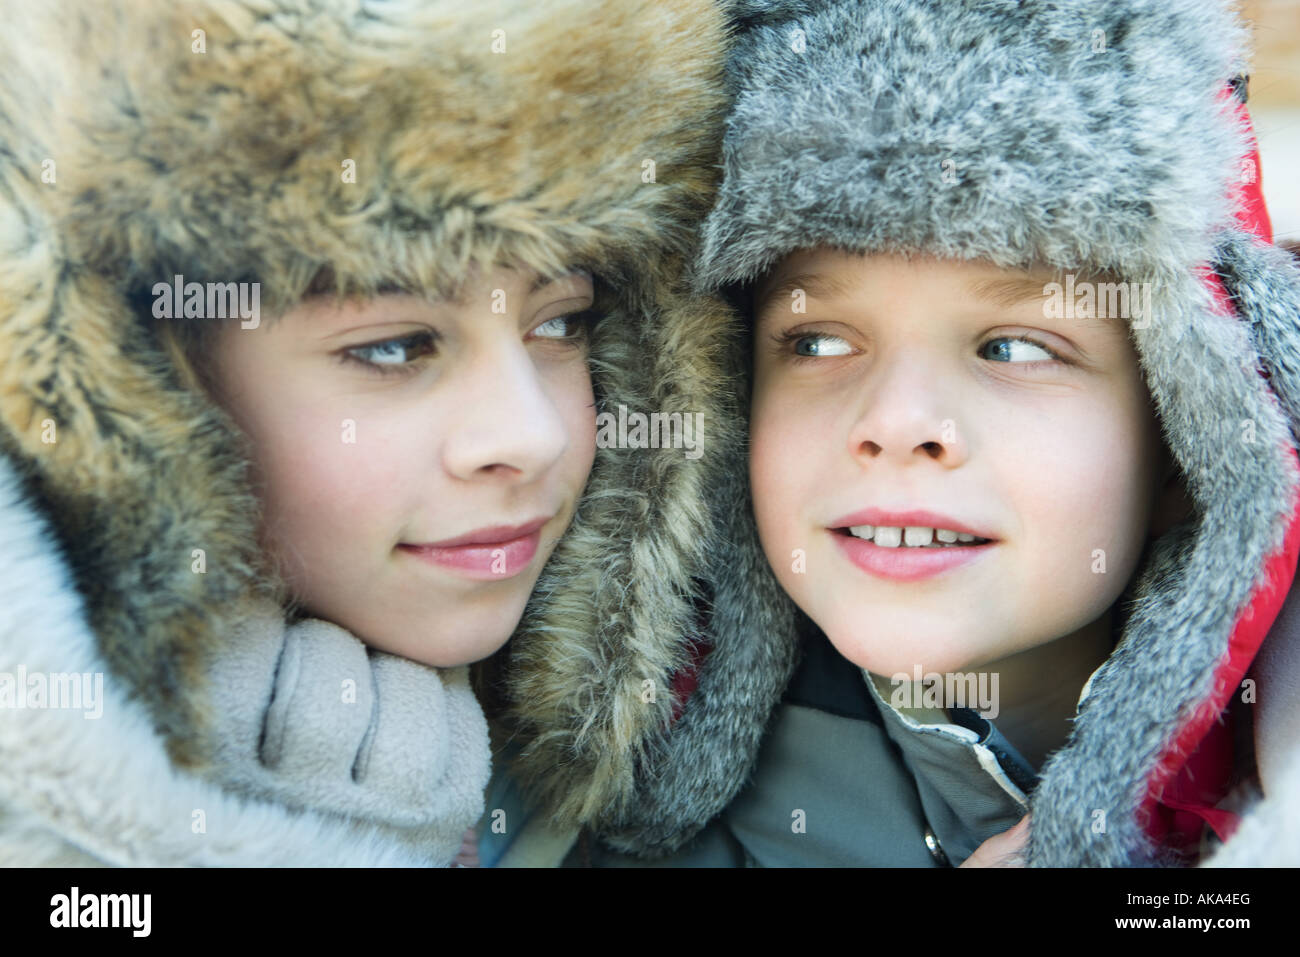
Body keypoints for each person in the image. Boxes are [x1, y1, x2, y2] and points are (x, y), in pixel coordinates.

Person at [486, 0, 1300, 867]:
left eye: (1016, 347)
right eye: (818, 341)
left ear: (1189, 443)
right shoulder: (565, 826)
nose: (898, 423)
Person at [0, 0, 730, 866]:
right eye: (396, 346)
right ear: (150, 377)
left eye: (562, 322)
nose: (530, 436)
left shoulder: (705, 737)